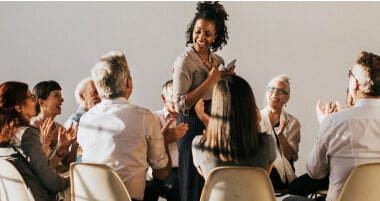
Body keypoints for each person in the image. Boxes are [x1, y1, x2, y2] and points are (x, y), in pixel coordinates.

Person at [284, 51, 380, 201]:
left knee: (289, 200)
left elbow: (315, 172)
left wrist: (324, 126)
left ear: (355, 83)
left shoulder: (334, 122)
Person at [77, 51, 169, 201]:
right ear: (128, 83)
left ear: (98, 87)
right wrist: (166, 140)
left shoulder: (86, 120)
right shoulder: (144, 117)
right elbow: (161, 172)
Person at [172, 2, 233, 201]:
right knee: (192, 182)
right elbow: (181, 103)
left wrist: (225, 78)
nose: (201, 37)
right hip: (191, 124)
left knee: (214, 179)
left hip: (213, 120)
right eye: (197, 31)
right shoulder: (184, 62)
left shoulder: (218, 61)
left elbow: (219, 91)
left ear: (215, 36)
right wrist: (210, 80)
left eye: (207, 34)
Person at [0, 81, 74, 201]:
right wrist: (72, 182)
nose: (34, 101)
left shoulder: (7, 136)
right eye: (31, 97)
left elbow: (40, 170)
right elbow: (50, 182)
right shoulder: (27, 134)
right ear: (19, 107)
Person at [191, 75, 276, 179]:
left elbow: (206, 177)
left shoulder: (199, 145)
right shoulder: (267, 143)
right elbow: (265, 176)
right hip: (253, 196)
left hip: (219, 196)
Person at [144, 80, 189, 201]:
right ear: (164, 99)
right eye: (173, 97)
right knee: (176, 186)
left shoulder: (189, 118)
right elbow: (147, 149)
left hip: (188, 168)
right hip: (164, 171)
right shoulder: (154, 118)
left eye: (180, 97)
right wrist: (165, 138)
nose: (178, 101)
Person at [260, 74, 301, 190]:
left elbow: (290, 156)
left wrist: (281, 136)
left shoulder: (293, 122)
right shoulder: (255, 118)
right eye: (271, 89)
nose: (275, 94)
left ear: (287, 98)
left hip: (282, 173)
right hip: (262, 169)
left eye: (280, 91)